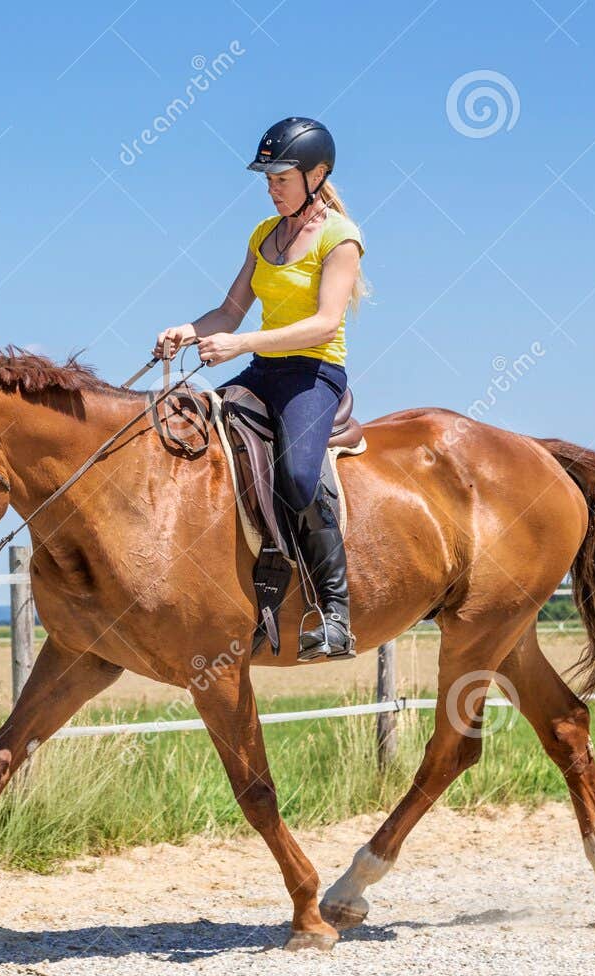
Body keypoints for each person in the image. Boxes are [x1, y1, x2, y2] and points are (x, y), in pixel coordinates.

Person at [156, 116, 368, 659]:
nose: (271, 190)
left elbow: (325, 323)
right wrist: (188, 330)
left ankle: (336, 615)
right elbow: (229, 310)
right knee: (191, 435)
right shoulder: (261, 235)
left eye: (281, 179)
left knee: (298, 477)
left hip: (312, 373)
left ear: (317, 175)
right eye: (267, 180)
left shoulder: (340, 238)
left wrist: (242, 343)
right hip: (262, 371)